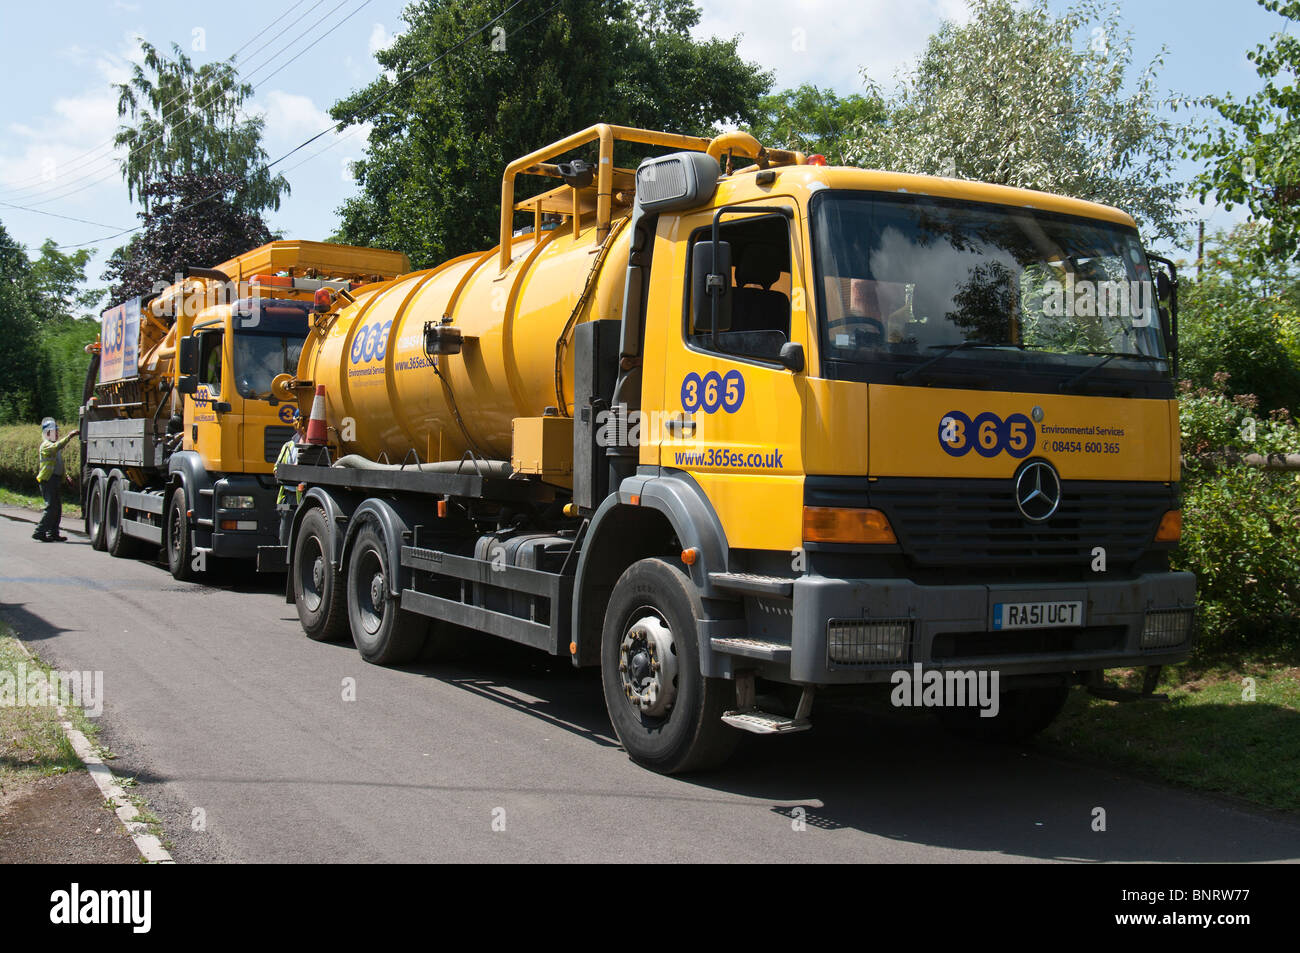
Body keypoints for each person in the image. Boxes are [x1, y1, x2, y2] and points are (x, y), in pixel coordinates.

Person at [34, 418, 77, 543]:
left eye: (57, 431)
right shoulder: (46, 445)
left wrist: (66, 476)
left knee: (57, 508)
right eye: (54, 432)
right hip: (48, 480)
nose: (57, 434)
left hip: (55, 480)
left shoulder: (53, 446)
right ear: (47, 433)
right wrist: (69, 436)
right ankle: (39, 532)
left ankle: (53, 533)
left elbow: (58, 464)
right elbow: (57, 446)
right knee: (51, 507)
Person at [275, 419, 304, 547]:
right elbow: (276, 469)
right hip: (287, 498)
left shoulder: (310, 446)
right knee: (285, 530)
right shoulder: (288, 446)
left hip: (301, 497)